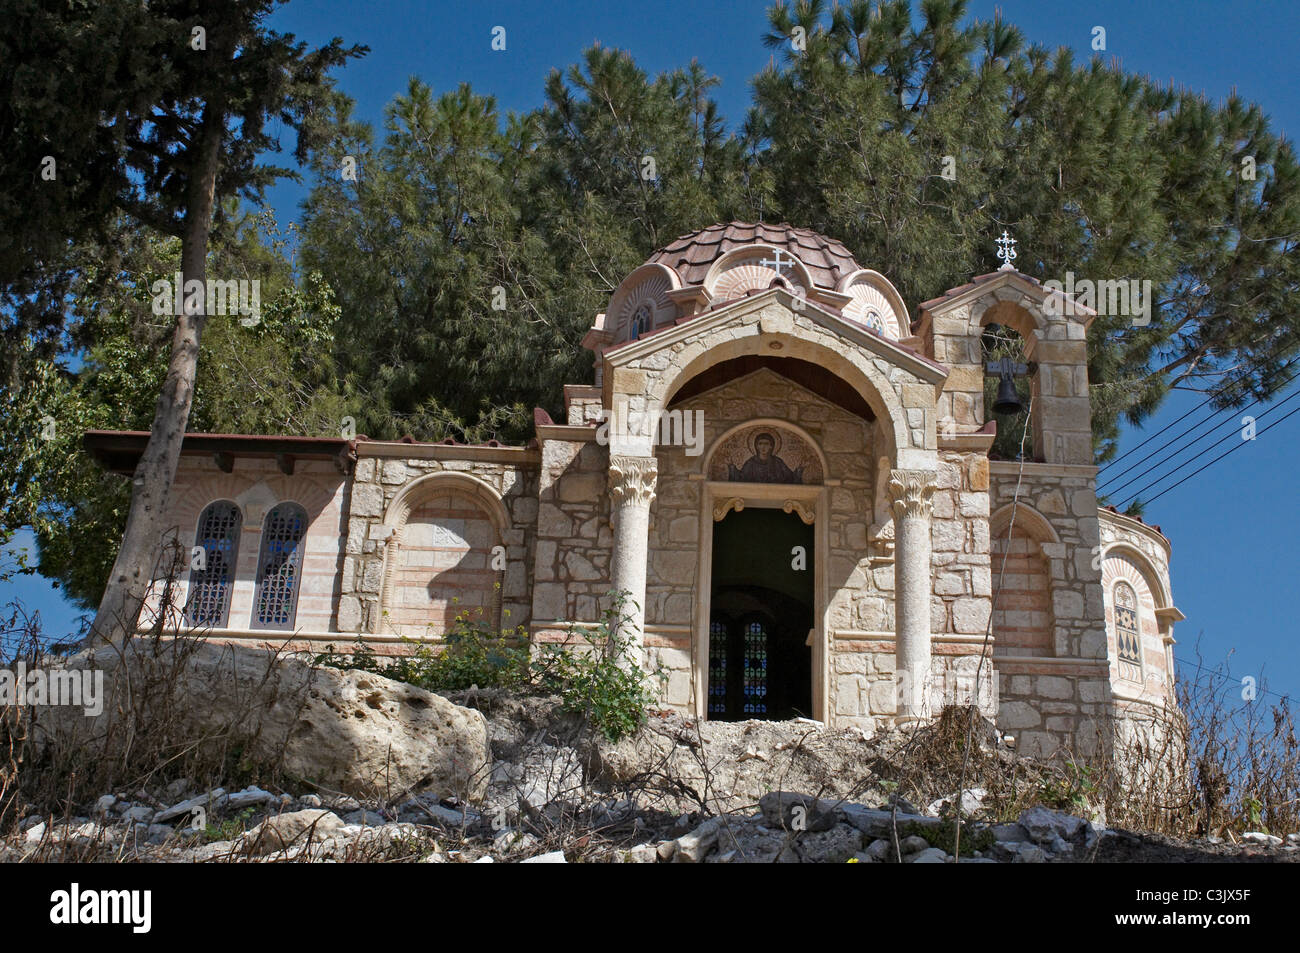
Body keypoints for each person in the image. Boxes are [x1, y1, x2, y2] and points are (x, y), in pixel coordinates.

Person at [729, 432, 803, 484]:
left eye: (766, 444)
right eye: (760, 444)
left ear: (771, 446)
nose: (763, 447)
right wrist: (731, 466)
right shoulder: (751, 463)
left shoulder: (777, 462)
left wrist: (800, 468)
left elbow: (790, 478)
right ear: (757, 446)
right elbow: (741, 478)